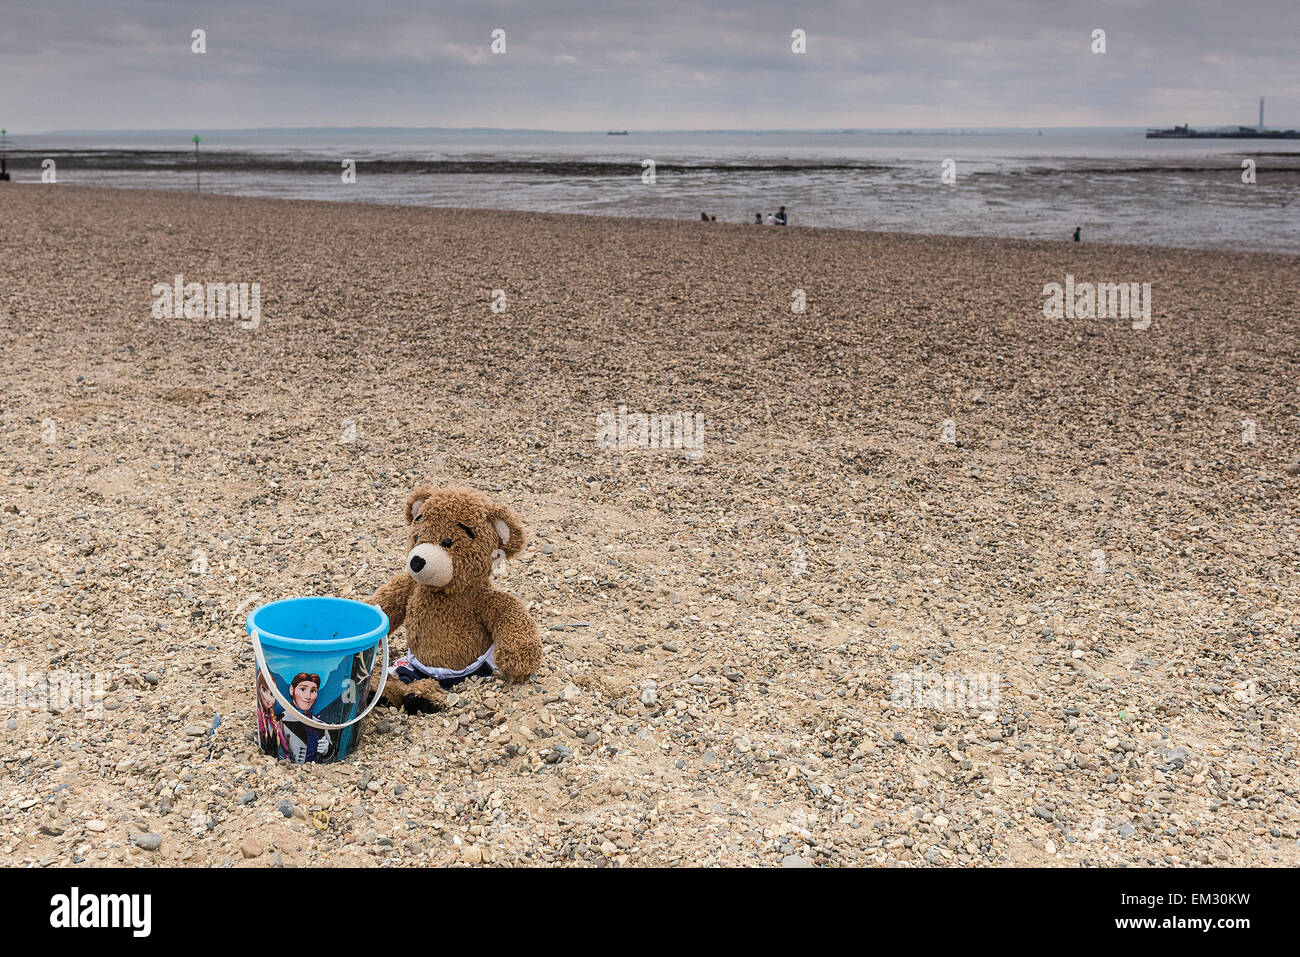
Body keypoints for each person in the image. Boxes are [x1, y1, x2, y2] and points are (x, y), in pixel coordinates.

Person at [280, 672, 332, 763]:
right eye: (303, 689)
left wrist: (327, 751)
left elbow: (333, 756)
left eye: (313, 691)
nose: (308, 697)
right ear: (292, 690)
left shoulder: (320, 724)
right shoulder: (280, 721)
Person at [255, 671, 288, 759]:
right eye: (264, 690)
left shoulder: (271, 718)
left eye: (272, 694)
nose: (268, 699)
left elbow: (283, 747)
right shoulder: (260, 717)